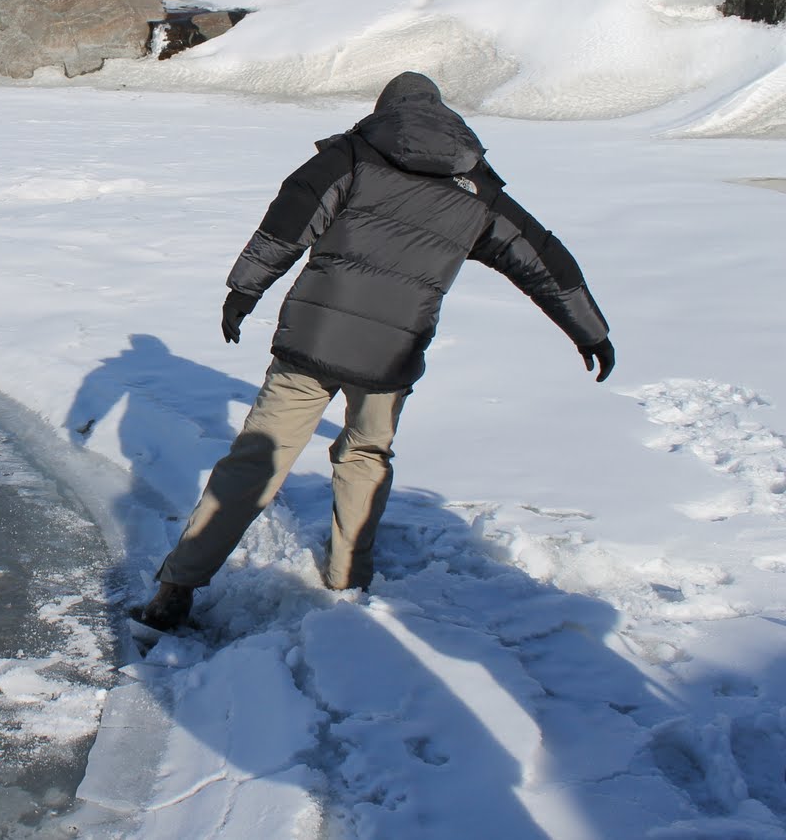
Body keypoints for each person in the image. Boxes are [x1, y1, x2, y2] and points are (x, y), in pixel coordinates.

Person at [139, 72, 613, 631]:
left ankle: (179, 586)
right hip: (393, 353)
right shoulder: (478, 188)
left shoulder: (353, 155)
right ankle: (346, 581)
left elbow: (289, 219)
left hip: (311, 342)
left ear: (385, 110)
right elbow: (544, 261)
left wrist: (244, 290)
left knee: (256, 460)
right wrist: (590, 331)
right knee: (366, 455)